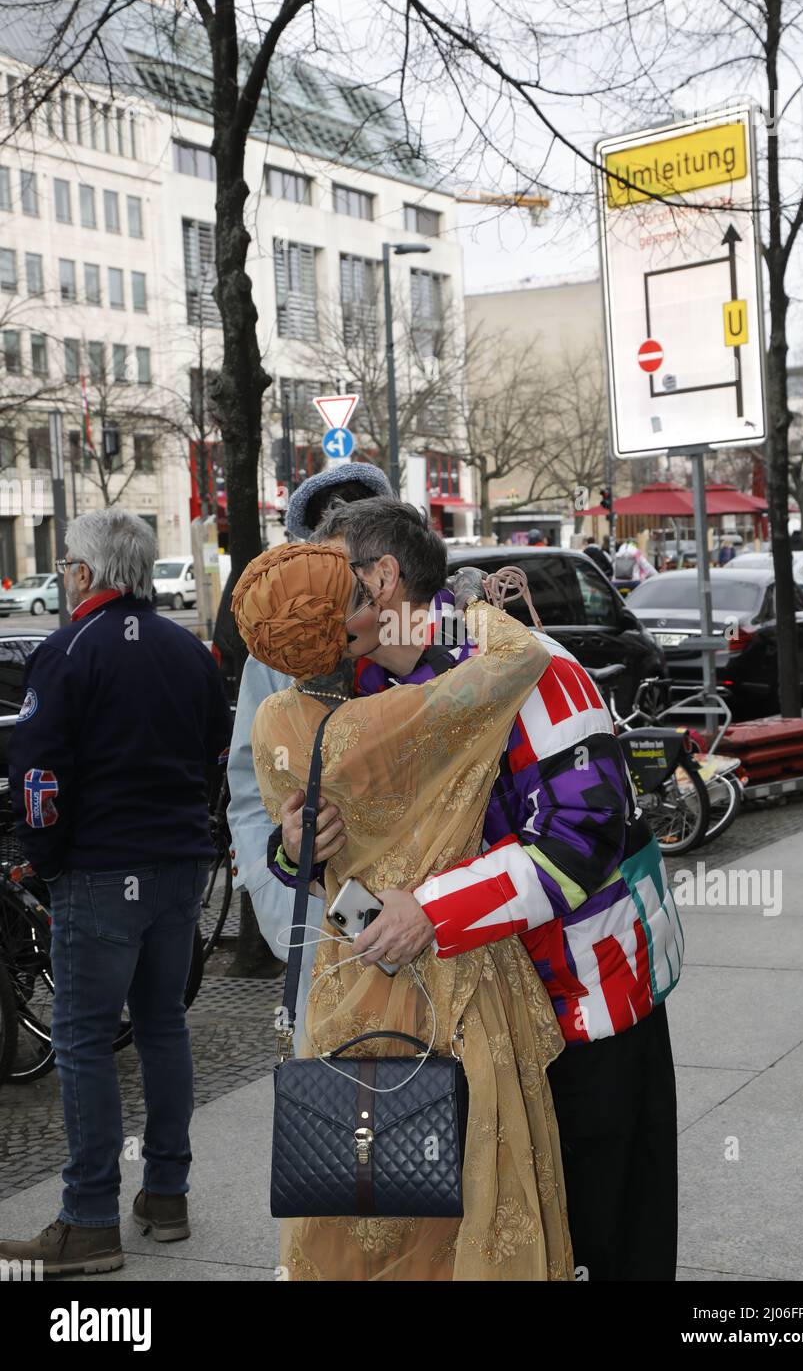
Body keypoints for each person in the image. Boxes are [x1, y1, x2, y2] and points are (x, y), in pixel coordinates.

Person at [273, 499, 684, 1281]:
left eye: (327, 578)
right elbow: (351, 865)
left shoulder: (538, 668)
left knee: (604, 1242)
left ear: (382, 580)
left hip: (582, 1012)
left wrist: (429, 912)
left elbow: (577, 843)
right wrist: (298, 849)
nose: (310, 601)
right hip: (445, 1022)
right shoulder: (349, 694)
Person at [235, 541, 572, 1282]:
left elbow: (313, 875)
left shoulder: (276, 727)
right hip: (458, 975)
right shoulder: (404, 710)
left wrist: (294, 852)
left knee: (356, 1200)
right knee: (475, 1197)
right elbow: (519, 652)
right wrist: (464, 603)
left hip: (348, 976)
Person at [0, 509, 232, 1277]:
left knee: (84, 1041)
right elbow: (212, 758)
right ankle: (166, 1192)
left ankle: (89, 1217)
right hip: (179, 866)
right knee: (163, 1024)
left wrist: (44, 857)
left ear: (86, 574)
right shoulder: (189, 652)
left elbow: (37, 779)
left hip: (101, 870)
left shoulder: (66, 652)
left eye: (68, 563)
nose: (66, 574)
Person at [226, 463, 395, 995]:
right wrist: (293, 913)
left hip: (435, 922)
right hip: (328, 926)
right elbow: (254, 795)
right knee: (336, 1068)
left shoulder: (441, 635)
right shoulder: (278, 656)